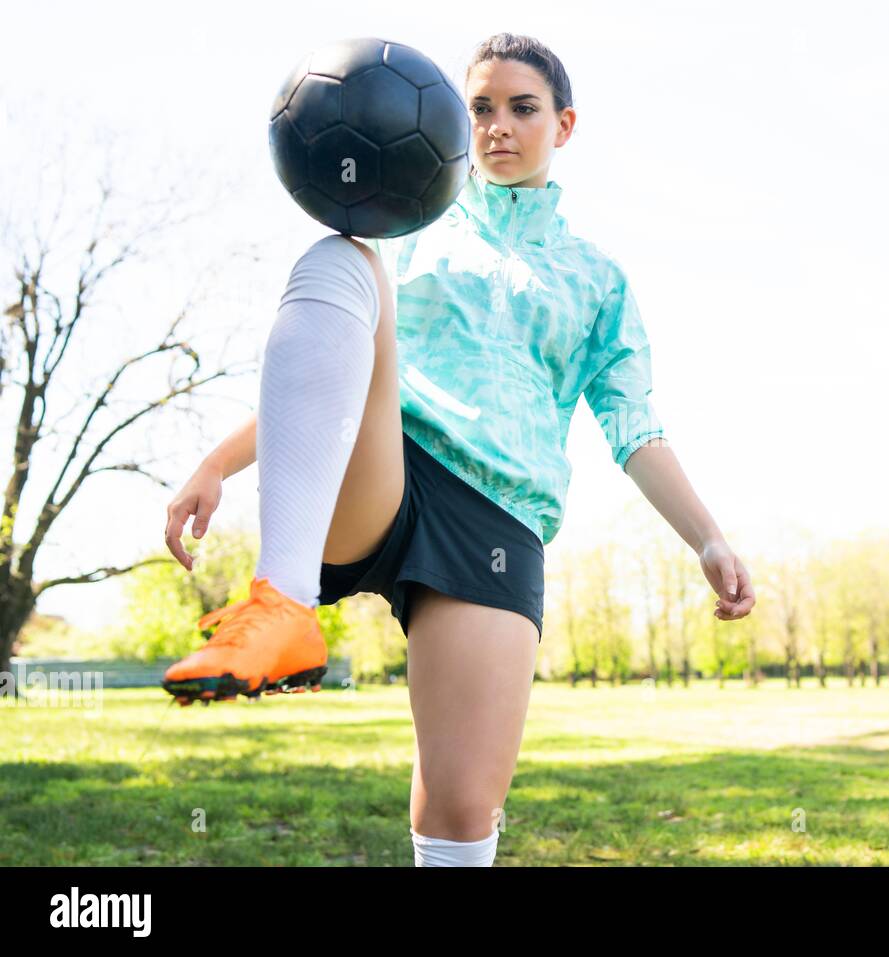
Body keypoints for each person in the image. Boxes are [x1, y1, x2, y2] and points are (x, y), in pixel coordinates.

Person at [159, 33, 756, 867]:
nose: (497, 126)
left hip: (497, 523)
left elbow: (635, 426)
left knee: (463, 802)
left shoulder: (599, 281)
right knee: (343, 257)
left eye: (522, 107)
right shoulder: (413, 229)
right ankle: (283, 602)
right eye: (480, 108)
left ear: (565, 123)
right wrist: (216, 464)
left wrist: (709, 536)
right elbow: (329, 386)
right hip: (386, 474)